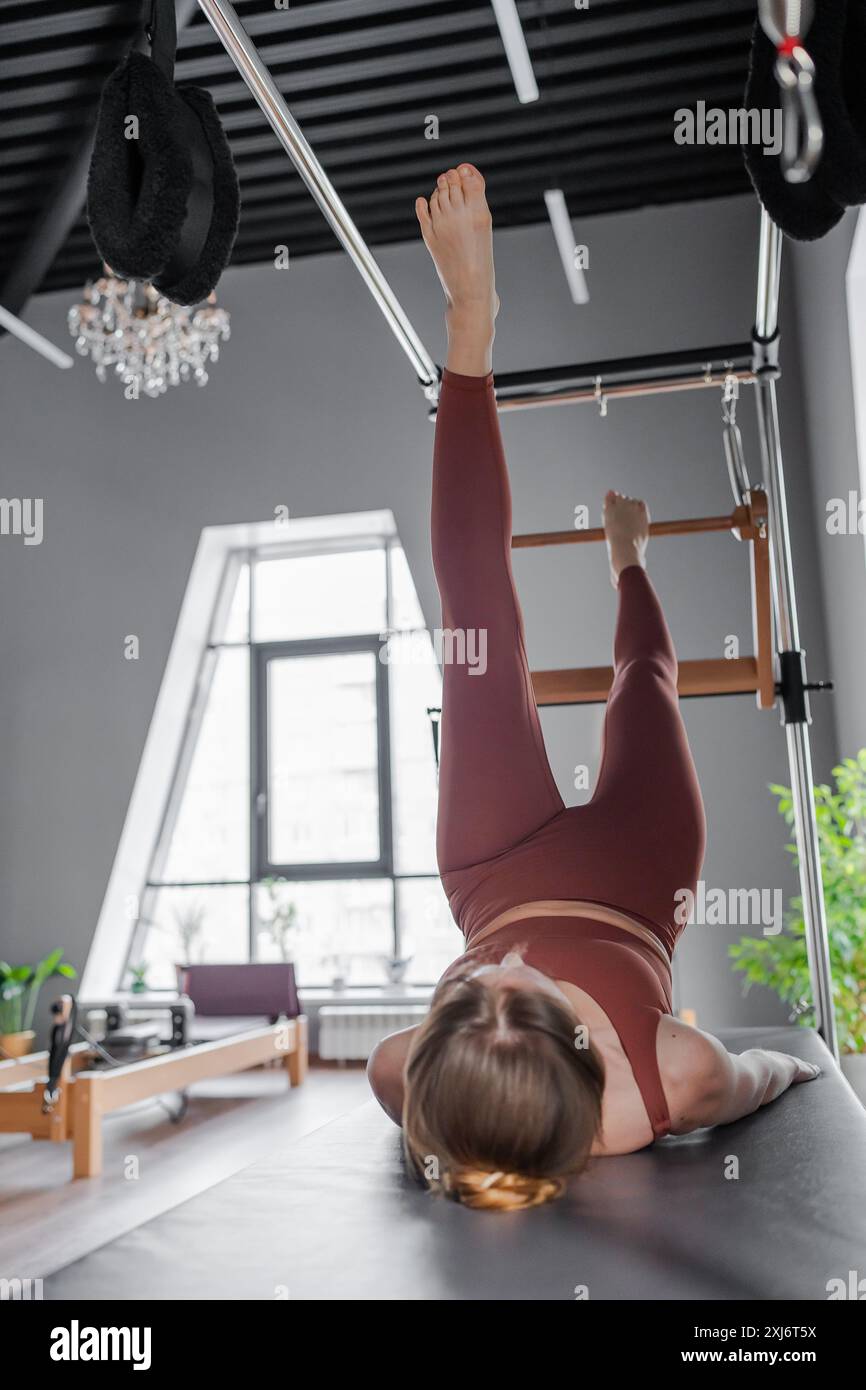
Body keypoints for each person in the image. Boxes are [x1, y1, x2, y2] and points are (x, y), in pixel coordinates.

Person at [368, 164, 820, 1212]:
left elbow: (441, 1052)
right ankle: (631, 561)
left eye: (463, 991)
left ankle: (470, 324)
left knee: (474, 612)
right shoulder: (675, 1076)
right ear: (585, 1051)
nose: (504, 963)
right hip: (634, 879)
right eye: (515, 990)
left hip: (490, 864)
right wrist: (803, 1067)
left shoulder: (405, 1070)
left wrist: (490, 954)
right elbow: (769, 1076)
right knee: (644, 686)